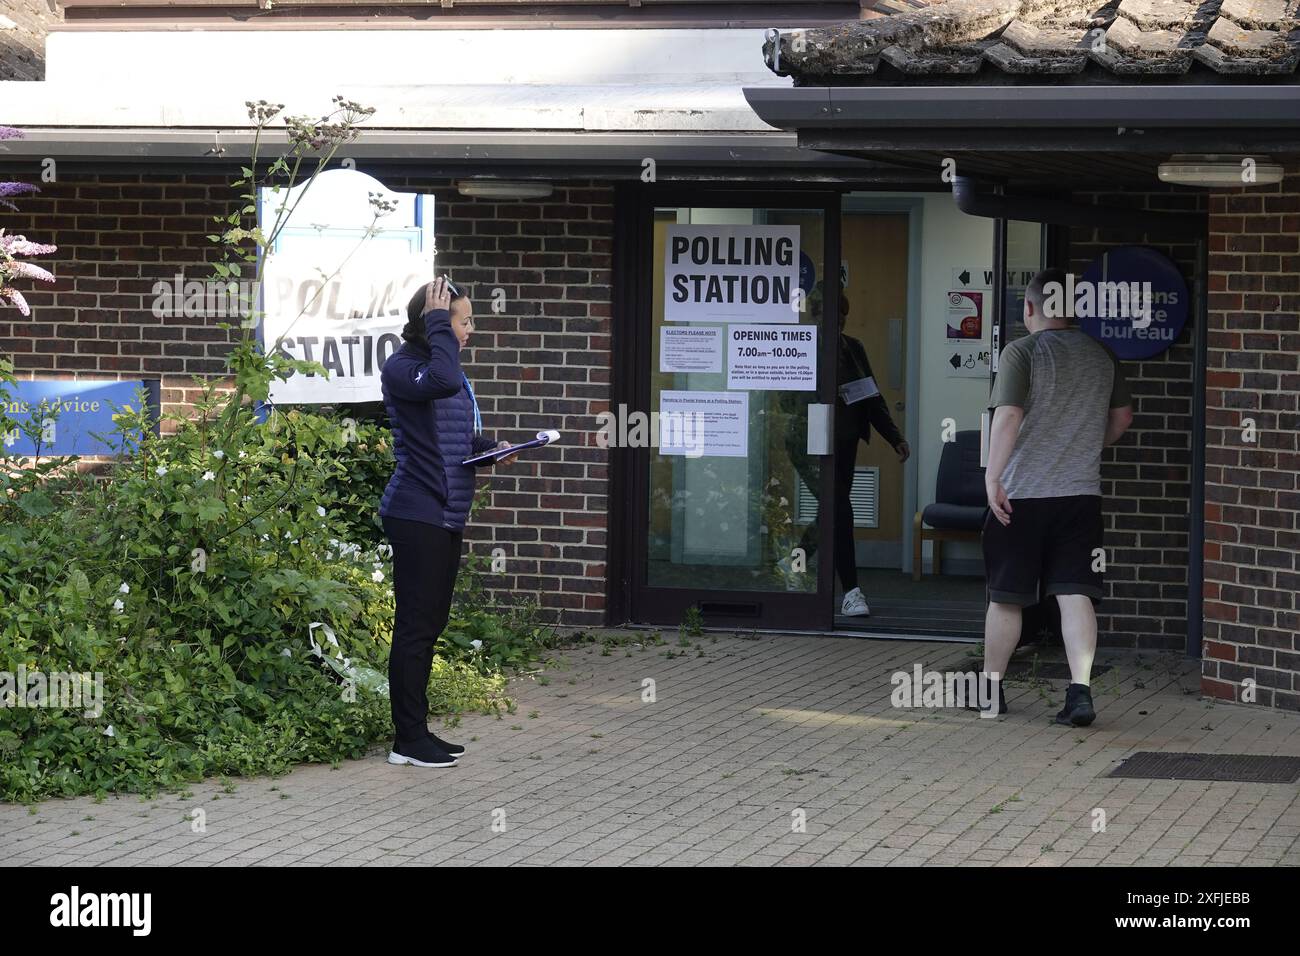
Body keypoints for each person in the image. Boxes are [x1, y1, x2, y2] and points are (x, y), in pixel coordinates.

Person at [976, 267, 1133, 724]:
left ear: (1029, 308)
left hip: (1020, 497)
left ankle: (990, 693)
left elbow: (1007, 416)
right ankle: (1080, 694)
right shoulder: (1101, 354)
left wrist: (992, 477)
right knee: (1074, 593)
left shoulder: (1022, 352)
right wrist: (1085, 443)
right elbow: (1123, 418)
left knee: (1006, 596)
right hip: (1080, 496)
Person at [379, 276, 515, 768]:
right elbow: (443, 382)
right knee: (415, 627)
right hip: (417, 513)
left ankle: (418, 732)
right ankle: (407, 741)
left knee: (430, 625)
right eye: (463, 320)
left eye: (467, 320)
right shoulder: (405, 367)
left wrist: (488, 450)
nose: (469, 330)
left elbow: (450, 440)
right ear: (433, 321)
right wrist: (438, 324)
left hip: (445, 513)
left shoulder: (444, 367)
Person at [787, 288, 910, 616]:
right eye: (830, 313)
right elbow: (787, 398)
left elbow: (871, 397)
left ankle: (795, 565)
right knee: (840, 508)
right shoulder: (801, 347)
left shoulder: (854, 348)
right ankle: (852, 591)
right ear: (815, 316)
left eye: (842, 313)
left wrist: (893, 436)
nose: (838, 320)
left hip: (845, 441)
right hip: (809, 443)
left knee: (831, 509)